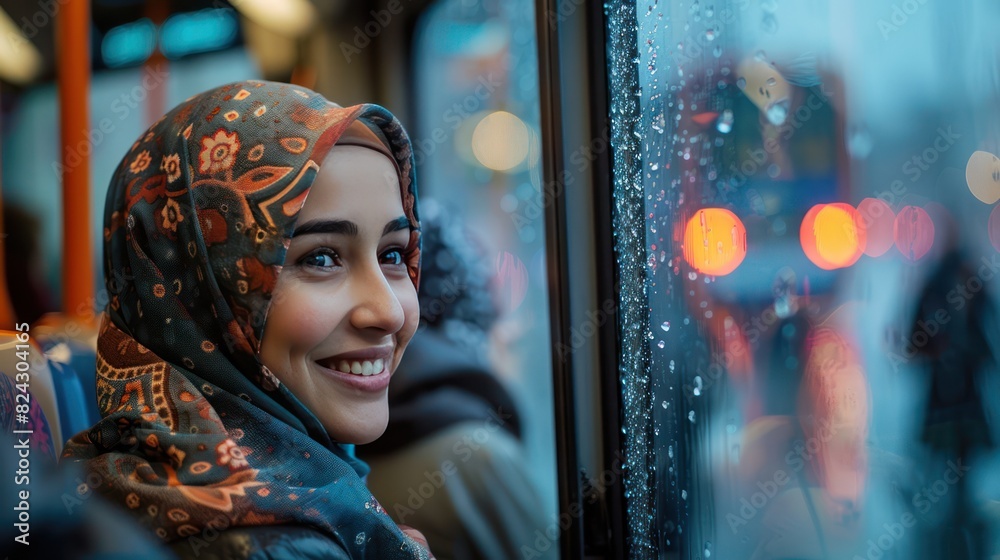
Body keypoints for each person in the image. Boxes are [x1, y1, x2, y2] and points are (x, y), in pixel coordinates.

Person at [61, 80, 433, 559]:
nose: (388, 311)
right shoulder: (274, 544)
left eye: (393, 254)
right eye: (320, 258)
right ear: (194, 290)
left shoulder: (125, 481)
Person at [358, 201, 553, 559]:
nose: (510, 333)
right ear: (467, 326)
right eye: (490, 312)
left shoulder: (353, 446)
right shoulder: (479, 460)